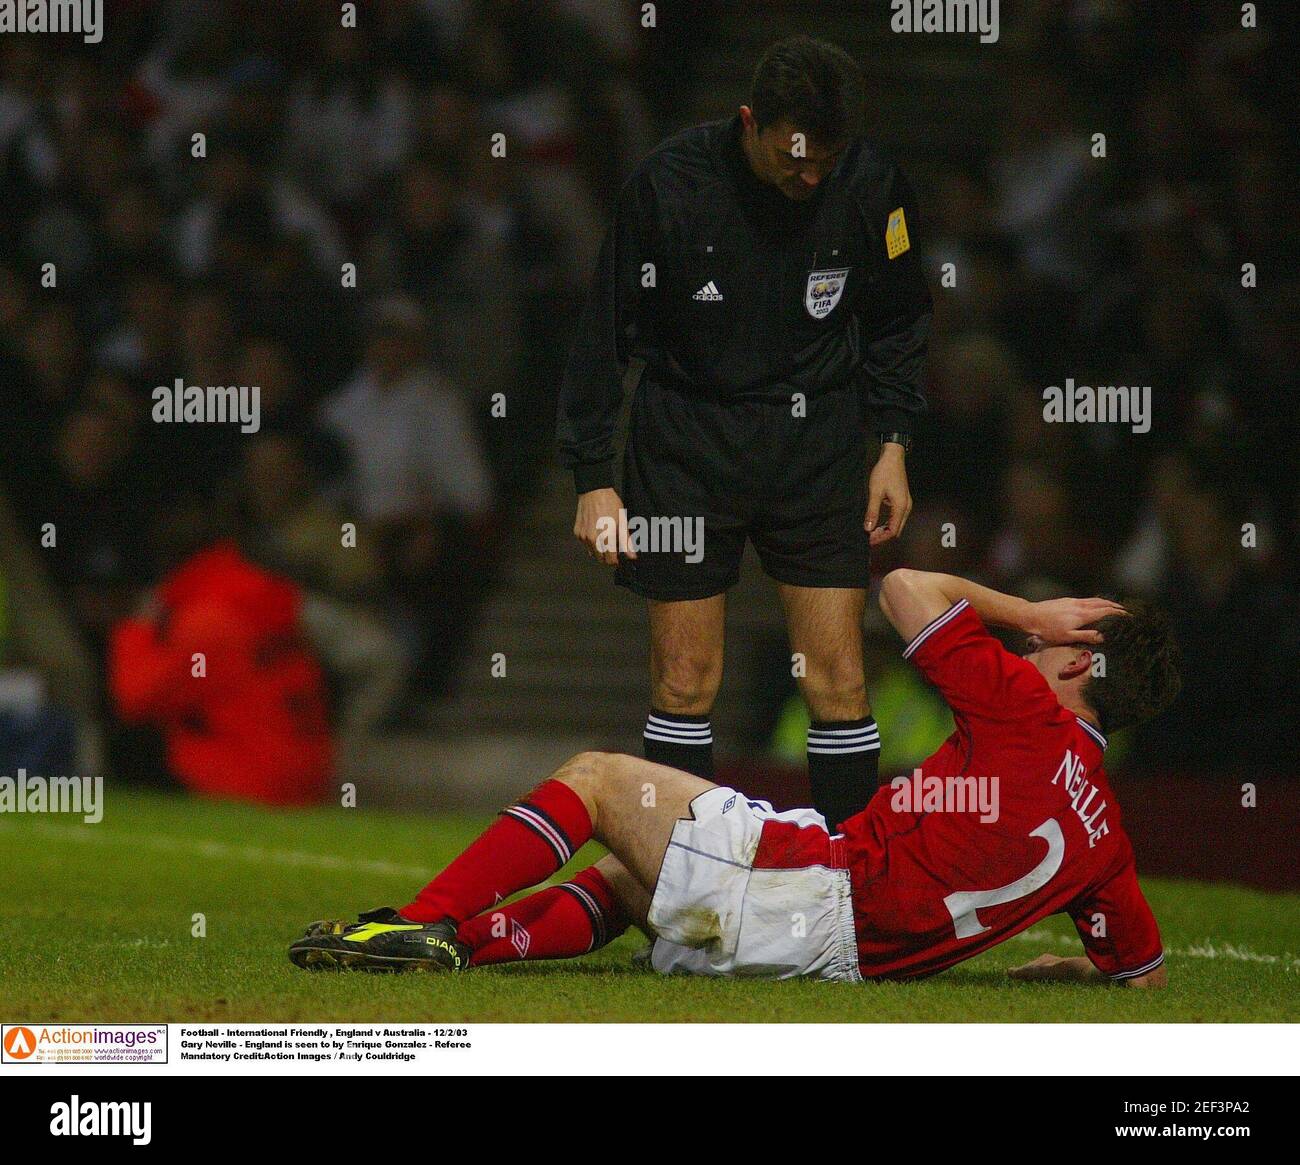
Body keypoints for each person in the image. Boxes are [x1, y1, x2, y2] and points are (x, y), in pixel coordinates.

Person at [288, 569, 1178, 987]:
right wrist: (1057, 969)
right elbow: (1141, 973)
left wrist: (1025, 607)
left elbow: (904, 584)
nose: (1038, 634)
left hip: (816, 889)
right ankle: (456, 947)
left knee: (597, 779)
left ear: (1081, 658)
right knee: (625, 880)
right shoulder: (1105, 836)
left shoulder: (1024, 706)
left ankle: (419, 920)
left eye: (1063, 629)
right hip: (841, 961)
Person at [556, 36, 933, 830]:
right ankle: (682, 889)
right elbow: (603, 332)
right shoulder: (668, 184)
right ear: (749, 121)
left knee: (837, 679)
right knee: (686, 679)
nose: (810, 174)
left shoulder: (871, 185)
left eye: (826, 158)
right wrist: (594, 476)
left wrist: (893, 441)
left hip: (818, 447)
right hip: (688, 443)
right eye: (794, 155)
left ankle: (854, 902)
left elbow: (900, 319)